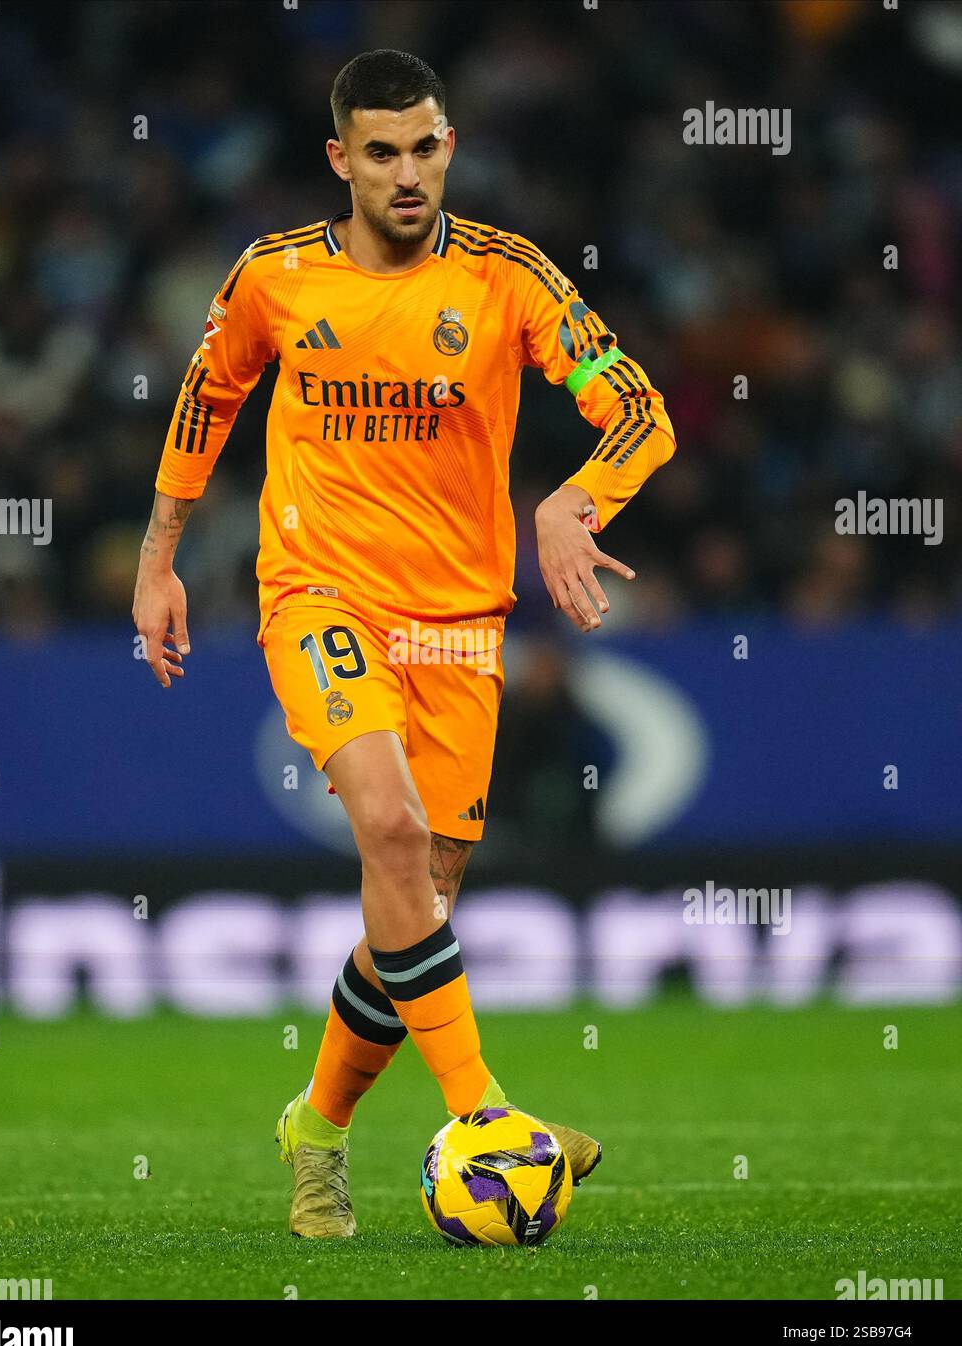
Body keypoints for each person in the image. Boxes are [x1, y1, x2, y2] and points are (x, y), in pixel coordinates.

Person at [132, 49, 676, 1237]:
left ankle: (315, 1134)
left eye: (425, 145)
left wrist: (575, 499)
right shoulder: (272, 278)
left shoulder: (505, 276)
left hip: (460, 626)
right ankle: (484, 1111)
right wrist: (159, 559)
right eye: (380, 152)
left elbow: (637, 407)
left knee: (414, 905)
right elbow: (203, 399)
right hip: (319, 597)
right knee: (386, 828)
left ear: (448, 144)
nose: (407, 171)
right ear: (340, 160)